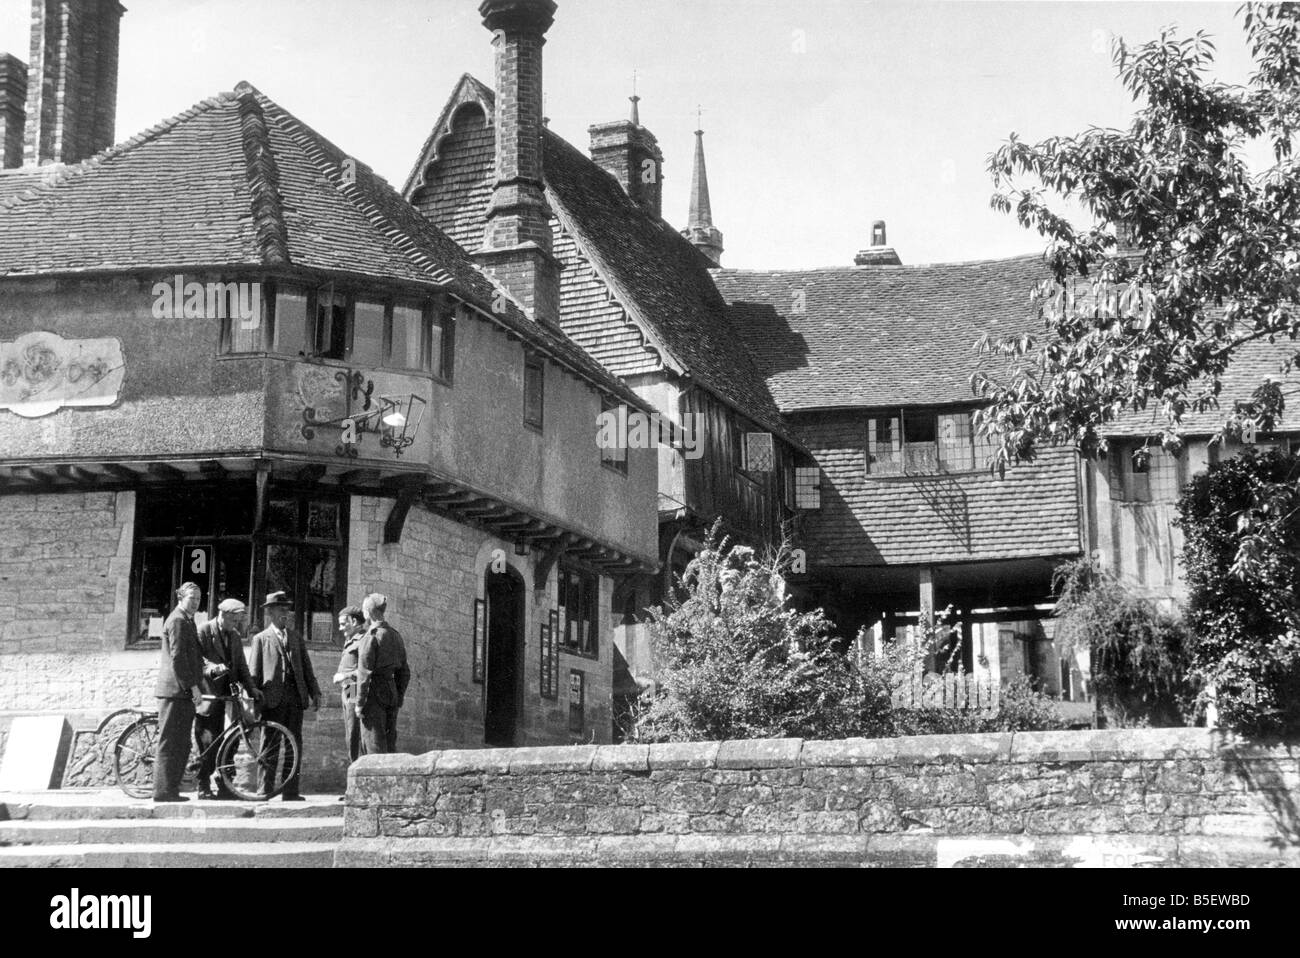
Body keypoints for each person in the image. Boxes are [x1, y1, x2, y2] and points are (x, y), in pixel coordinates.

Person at [249, 592, 320, 801]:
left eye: (287, 609)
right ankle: (264, 789)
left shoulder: (296, 637)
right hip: (272, 701)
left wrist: (314, 691)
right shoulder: (260, 639)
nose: (285, 613)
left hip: (295, 699)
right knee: (269, 745)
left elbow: (307, 668)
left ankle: (290, 791)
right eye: (280, 609)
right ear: (270, 612)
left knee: (294, 745)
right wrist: (254, 699)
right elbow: (254, 673)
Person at [194, 598, 260, 799]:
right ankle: (203, 786)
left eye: (238, 621)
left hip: (228, 697)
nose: (235, 625)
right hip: (208, 695)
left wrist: (252, 689)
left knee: (230, 741)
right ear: (222, 615)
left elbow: (241, 667)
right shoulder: (204, 630)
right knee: (208, 742)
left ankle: (225, 785)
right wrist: (212, 669)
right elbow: (197, 661)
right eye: (233, 620)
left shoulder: (234, 636)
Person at [153, 583, 205, 803]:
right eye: (191, 598)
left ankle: (171, 790)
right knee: (169, 741)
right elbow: (178, 658)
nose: (195, 602)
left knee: (182, 743)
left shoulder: (188, 620)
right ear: (180, 598)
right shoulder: (177, 620)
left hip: (181, 692)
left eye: (198, 598)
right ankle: (163, 791)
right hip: (175, 691)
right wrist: (192, 687)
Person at [356, 594, 411, 755]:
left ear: (370, 613)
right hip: (391, 693)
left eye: (365, 611)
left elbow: (364, 674)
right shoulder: (395, 635)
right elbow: (405, 673)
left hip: (373, 696)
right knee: (389, 745)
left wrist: (359, 703)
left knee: (373, 746)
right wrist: (398, 697)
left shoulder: (371, 636)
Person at [333, 607, 365, 763]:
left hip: (355, 689)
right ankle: (354, 768)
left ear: (354, 621)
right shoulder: (350, 639)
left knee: (354, 730)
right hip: (348, 689)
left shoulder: (363, 640)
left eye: (343, 624)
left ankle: (357, 768)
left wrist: (344, 676)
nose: (339, 628)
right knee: (349, 730)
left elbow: (365, 671)